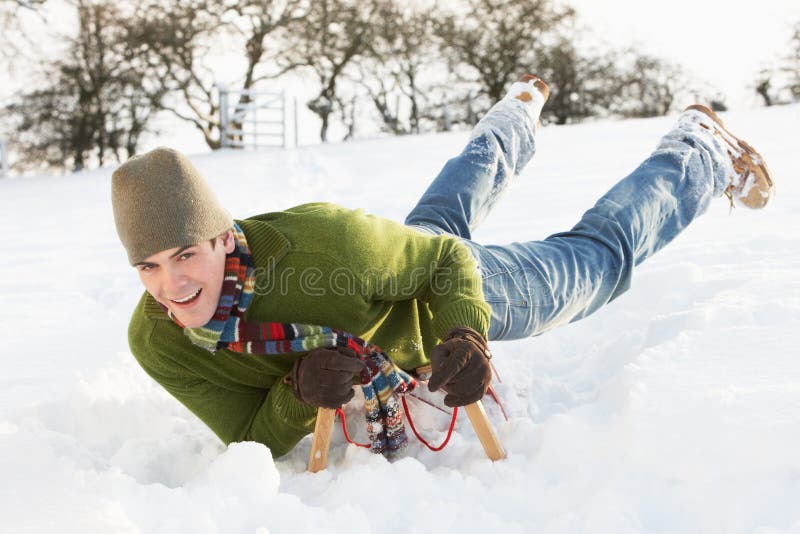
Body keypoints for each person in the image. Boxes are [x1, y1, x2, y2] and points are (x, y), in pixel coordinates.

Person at [112, 75, 774, 458]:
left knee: (592, 263)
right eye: (148, 267)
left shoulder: (326, 243)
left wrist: (465, 333)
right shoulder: (158, 339)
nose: (174, 286)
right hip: (393, 273)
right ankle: (514, 116)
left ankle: (700, 153)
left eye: (186, 255)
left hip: (443, 295)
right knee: (435, 220)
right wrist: (296, 392)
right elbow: (246, 437)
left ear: (225, 239)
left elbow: (445, 263)